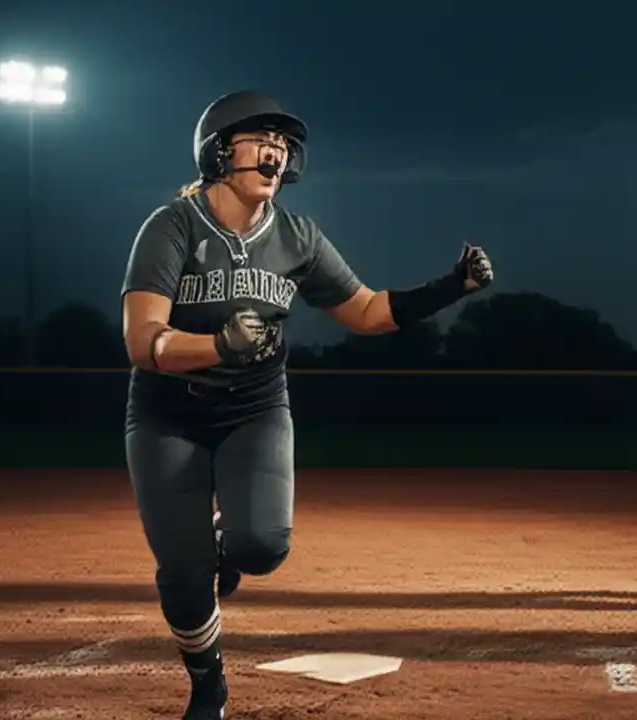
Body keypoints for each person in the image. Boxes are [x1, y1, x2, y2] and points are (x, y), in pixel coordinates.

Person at [119, 90, 495, 718]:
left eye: (282, 141)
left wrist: (449, 287)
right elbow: (142, 341)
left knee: (262, 546)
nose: (276, 149)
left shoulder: (296, 235)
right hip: (167, 414)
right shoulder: (172, 226)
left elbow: (368, 311)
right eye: (259, 137)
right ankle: (208, 681)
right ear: (218, 152)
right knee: (184, 581)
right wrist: (217, 343)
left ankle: (226, 540)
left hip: (255, 408)